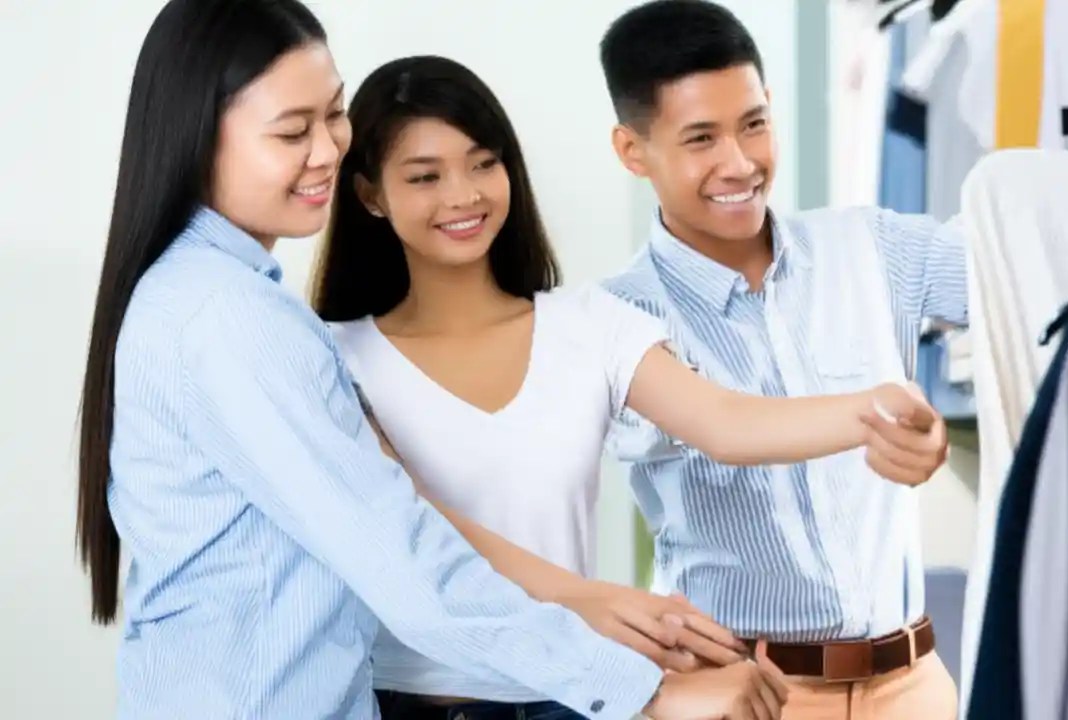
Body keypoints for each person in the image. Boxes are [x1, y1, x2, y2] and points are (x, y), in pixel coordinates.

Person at [76, 1, 786, 718]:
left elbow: (729, 423)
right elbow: (409, 564)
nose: (327, 149)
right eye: (292, 131)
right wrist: (647, 693)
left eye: (333, 115)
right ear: (199, 139)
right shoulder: (233, 321)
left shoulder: (208, 298)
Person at [310, 54, 949, 719]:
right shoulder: (333, 356)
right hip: (404, 702)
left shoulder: (588, 325)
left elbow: (731, 424)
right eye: (424, 177)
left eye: (482, 163)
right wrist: (588, 598)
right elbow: (407, 522)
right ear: (370, 196)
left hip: (572, 698)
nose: (463, 195)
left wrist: (879, 409)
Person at [597, 1, 966, 718]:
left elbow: (1032, 271)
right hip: (749, 695)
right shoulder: (617, 319)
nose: (740, 163)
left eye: (755, 124)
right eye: (701, 138)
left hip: (915, 687)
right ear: (631, 150)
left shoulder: (873, 248)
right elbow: (730, 426)